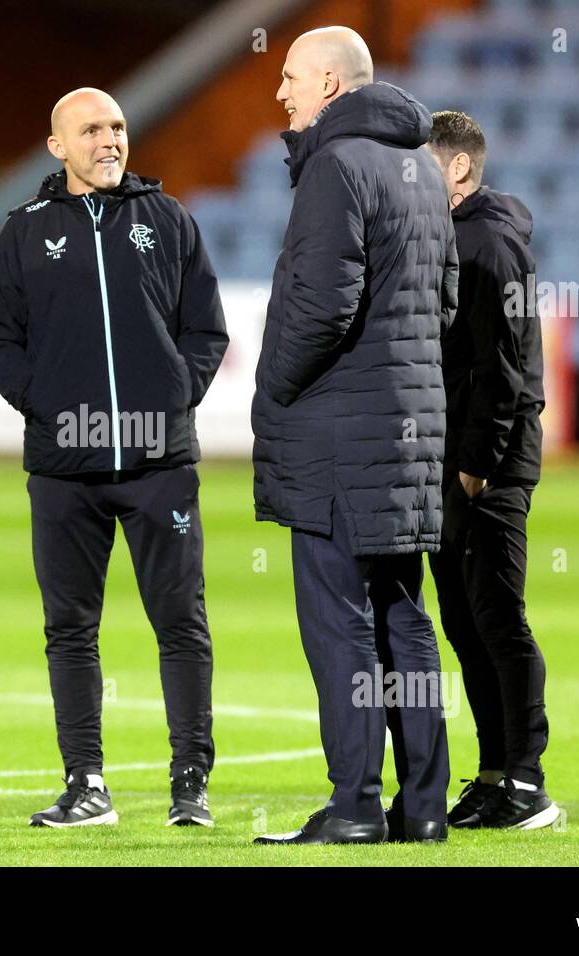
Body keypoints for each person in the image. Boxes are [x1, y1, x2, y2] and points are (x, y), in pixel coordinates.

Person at [0, 87, 228, 828]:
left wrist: (175, 395)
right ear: (57, 146)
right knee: (70, 629)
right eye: (91, 130)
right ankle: (86, 784)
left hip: (159, 463)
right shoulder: (24, 233)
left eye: (117, 126)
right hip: (63, 471)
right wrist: (49, 405)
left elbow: (205, 329)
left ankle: (190, 782)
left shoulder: (169, 219)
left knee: (180, 621)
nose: (110, 140)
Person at [250, 27, 457, 845]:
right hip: (411, 436)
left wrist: (271, 389)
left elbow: (322, 308)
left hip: (341, 435)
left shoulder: (336, 166)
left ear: (331, 84)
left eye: (292, 77)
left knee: (339, 620)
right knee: (403, 615)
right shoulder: (422, 170)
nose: (282, 94)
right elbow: (440, 307)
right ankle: (425, 805)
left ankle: (354, 804)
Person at [424, 110, 556, 830]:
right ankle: (496, 770)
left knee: (498, 618)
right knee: (466, 623)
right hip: (455, 458)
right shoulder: (454, 239)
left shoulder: (491, 246)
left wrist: (474, 467)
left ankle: (529, 781)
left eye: (423, 165)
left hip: (489, 465)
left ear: (459, 170)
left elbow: (505, 373)